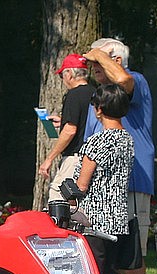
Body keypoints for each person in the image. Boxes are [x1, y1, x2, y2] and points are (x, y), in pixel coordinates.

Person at [83, 38, 154, 274]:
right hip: (99, 190)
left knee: (132, 253)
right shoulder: (101, 94)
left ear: (117, 61)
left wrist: (100, 55)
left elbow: (124, 81)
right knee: (105, 254)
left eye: (98, 61)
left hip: (131, 183)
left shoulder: (135, 81)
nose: (93, 66)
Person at [71, 84, 134, 274]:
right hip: (118, 218)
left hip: (94, 220)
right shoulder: (127, 140)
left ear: (99, 108)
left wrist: (69, 197)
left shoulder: (97, 141)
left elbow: (82, 184)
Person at [38, 53, 93, 202]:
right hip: (91, 159)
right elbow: (86, 121)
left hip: (74, 158)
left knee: (58, 198)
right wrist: (63, 121)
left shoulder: (73, 95)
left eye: (62, 75)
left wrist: (49, 159)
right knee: (79, 203)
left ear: (70, 74)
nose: (63, 79)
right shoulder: (96, 93)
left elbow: (70, 130)